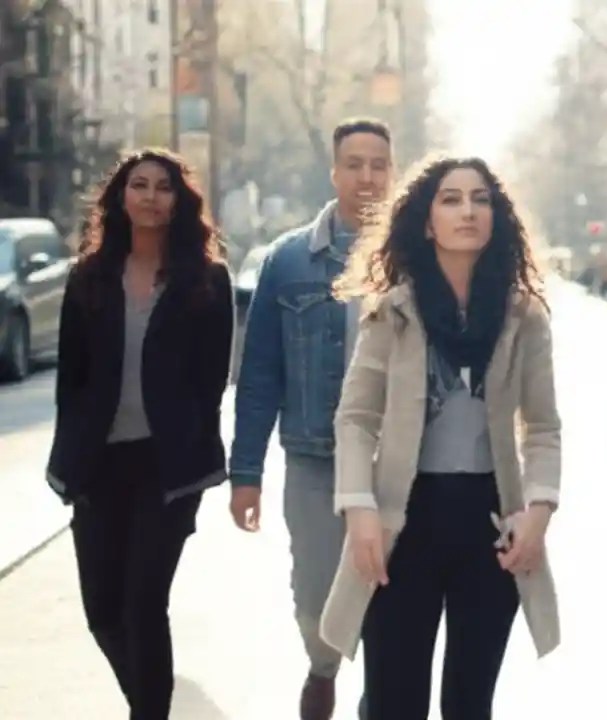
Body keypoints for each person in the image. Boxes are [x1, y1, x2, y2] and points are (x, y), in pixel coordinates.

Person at [319, 155, 562, 719]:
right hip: (403, 521)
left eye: (480, 199)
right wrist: (358, 511)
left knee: (469, 704)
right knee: (394, 701)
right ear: (427, 222)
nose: (468, 210)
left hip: (490, 524)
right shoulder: (394, 311)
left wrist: (539, 510)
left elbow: (544, 426)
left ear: (497, 218)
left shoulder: (523, 316)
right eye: (450, 199)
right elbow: (355, 417)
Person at [46, 148, 233, 719]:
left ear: (180, 200)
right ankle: (149, 704)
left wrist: (197, 454)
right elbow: (70, 378)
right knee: (102, 610)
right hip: (99, 466)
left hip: (167, 467)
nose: (151, 196)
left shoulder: (207, 279)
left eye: (164, 187)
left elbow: (211, 378)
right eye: (139, 185)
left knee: (144, 604)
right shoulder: (88, 277)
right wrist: (68, 463)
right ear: (120, 197)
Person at [228, 117, 393, 720]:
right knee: (317, 593)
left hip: (397, 461)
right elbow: (260, 372)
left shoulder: (417, 255)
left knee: (393, 595)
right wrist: (245, 471)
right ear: (335, 171)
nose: (367, 176)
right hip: (314, 456)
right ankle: (323, 667)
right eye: (355, 163)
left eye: (378, 163)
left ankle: (383, 699)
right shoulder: (289, 260)